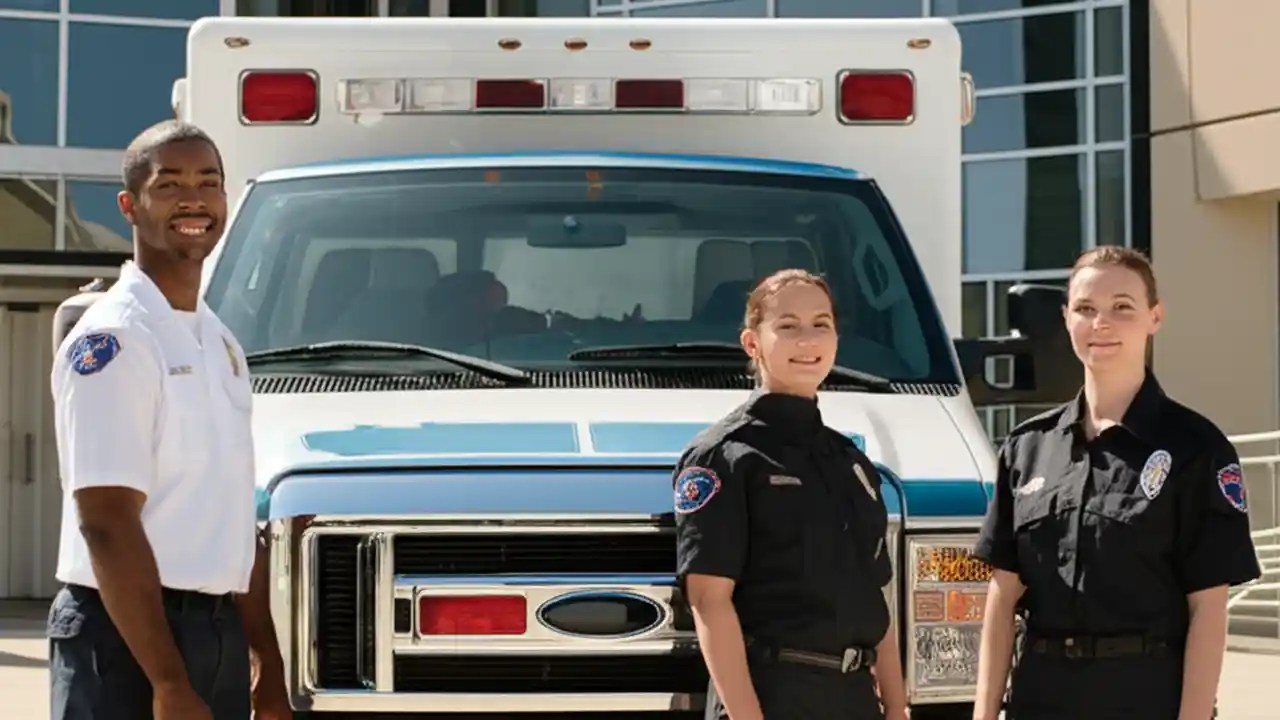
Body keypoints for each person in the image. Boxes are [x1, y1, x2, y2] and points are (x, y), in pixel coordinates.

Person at [46, 120, 292, 720]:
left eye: (209, 183)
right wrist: (168, 683)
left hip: (213, 634)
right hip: (125, 639)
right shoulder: (116, 338)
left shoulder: (220, 342)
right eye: (170, 184)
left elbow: (232, 516)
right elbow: (106, 522)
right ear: (130, 206)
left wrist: (266, 660)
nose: (194, 201)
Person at [970, 246, 1262, 720]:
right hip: (1039, 698)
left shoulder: (1198, 448)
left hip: (1143, 698)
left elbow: (1208, 609)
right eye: (1085, 309)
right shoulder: (1028, 447)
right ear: (1066, 319)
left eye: (1122, 307)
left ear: (1155, 317)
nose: (1101, 323)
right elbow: (1002, 599)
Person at [673, 268, 907, 720]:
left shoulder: (851, 463)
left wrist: (896, 709)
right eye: (788, 326)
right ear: (752, 343)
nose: (808, 340)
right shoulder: (724, 457)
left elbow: (875, 598)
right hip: (774, 696)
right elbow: (709, 602)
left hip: (856, 698)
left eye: (821, 324)